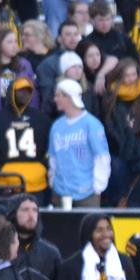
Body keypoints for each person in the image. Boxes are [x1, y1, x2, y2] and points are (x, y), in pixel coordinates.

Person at [46, 79, 112, 207]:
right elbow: (53, 158)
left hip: (87, 192)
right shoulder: (56, 126)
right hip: (60, 191)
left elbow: (102, 157)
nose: (55, 99)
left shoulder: (91, 124)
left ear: (68, 97)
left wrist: (98, 187)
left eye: (58, 95)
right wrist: (53, 181)